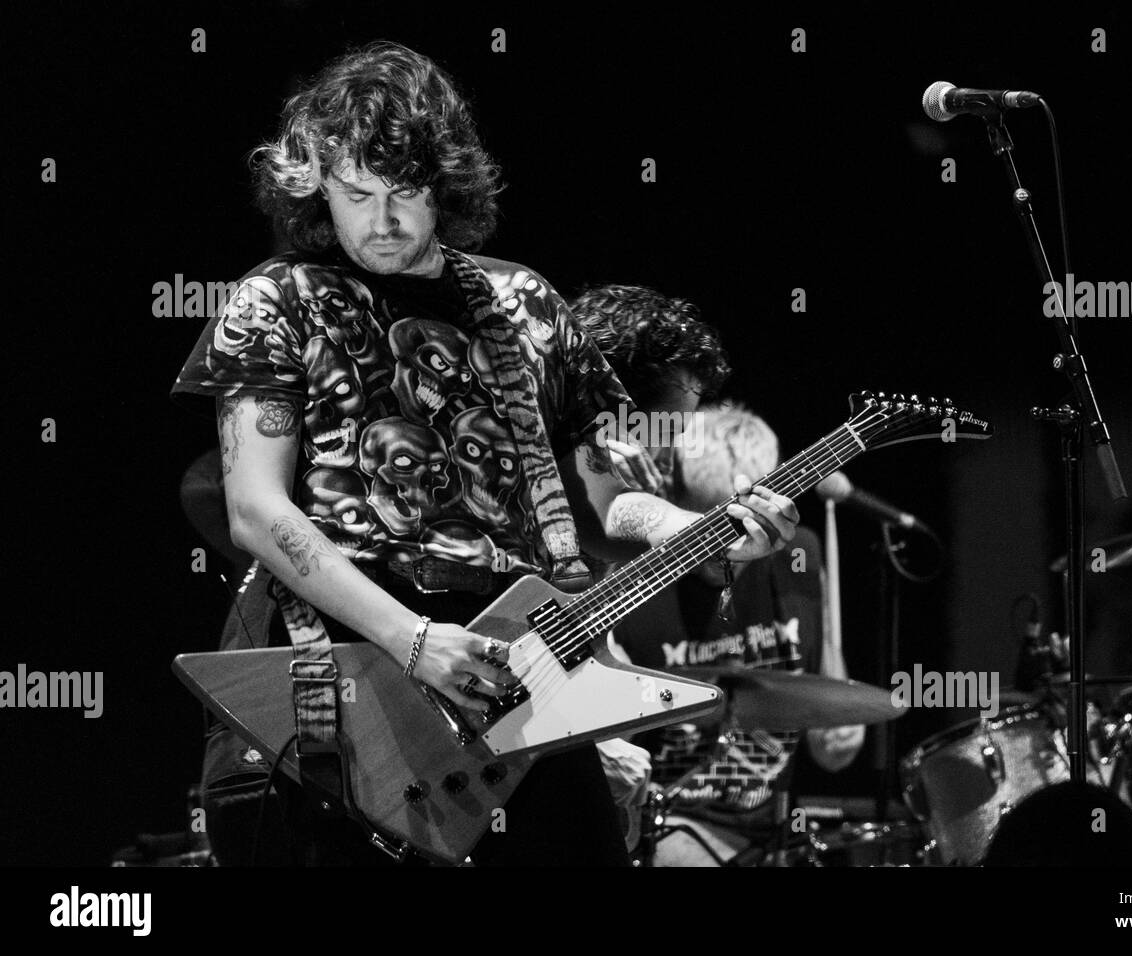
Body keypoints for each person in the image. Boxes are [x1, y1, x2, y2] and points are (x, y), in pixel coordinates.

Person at [170, 43, 798, 866]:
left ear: (448, 185)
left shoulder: (524, 305)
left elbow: (611, 499)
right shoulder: (276, 299)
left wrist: (698, 526)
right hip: (335, 687)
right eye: (355, 193)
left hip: (516, 683)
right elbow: (256, 509)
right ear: (316, 183)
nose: (382, 220)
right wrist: (414, 639)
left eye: (406, 193)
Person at [570, 284, 863, 865]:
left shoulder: (611, 492)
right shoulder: (560, 456)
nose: (650, 458)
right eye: (659, 432)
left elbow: (613, 516)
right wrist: (600, 745)